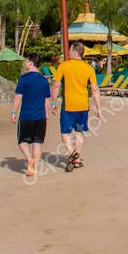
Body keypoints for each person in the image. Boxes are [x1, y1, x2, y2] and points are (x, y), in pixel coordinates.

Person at [51, 41, 101, 171]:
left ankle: (72, 153)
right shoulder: (89, 68)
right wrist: (98, 107)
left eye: (69, 50)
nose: (68, 52)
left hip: (69, 108)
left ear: (74, 51)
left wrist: (53, 102)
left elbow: (56, 85)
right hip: (83, 107)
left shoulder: (64, 66)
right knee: (79, 132)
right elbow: (95, 89)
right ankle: (77, 160)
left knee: (65, 133)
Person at [11, 54, 50, 177]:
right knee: (37, 142)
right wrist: (47, 114)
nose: (25, 63)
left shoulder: (23, 79)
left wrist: (13, 112)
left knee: (22, 141)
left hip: (26, 115)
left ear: (31, 63)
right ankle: (34, 166)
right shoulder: (44, 80)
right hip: (40, 115)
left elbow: (18, 96)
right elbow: (47, 99)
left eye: (26, 61)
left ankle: (29, 159)